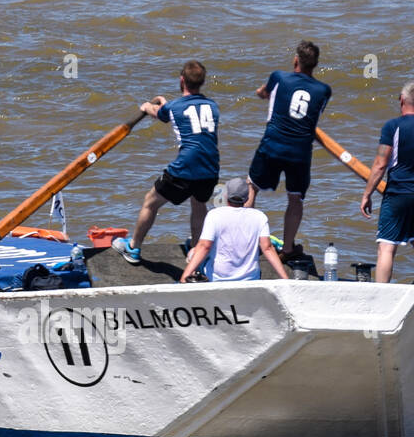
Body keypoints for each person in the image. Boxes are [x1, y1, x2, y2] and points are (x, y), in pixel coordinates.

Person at [113, 60, 219, 264]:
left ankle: (133, 248)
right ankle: (196, 252)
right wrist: (164, 102)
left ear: (182, 80)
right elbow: (185, 112)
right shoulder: (213, 106)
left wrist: (147, 105)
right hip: (211, 166)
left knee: (150, 202)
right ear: (202, 82)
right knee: (199, 205)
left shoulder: (174, 107)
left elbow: (159, 113)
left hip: (185, 167)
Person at [244, 40, 331, 255]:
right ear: (316, 64)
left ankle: (244, 243)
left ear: (295, 60)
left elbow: (263, 93)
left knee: (251, 187)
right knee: (295, 198)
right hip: (300, 151)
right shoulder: (324, 90)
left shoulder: (278, 77)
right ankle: (288, 248)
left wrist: (262, 92)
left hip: (272, 144)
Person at [359, 82, 414, 284]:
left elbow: (380, 165)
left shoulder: (393, 126)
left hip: (397, 195)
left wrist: (367, 194)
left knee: (386, 247)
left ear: (401, 99)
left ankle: (381, 293)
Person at [179, 177, 289, 283]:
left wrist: (184, 277)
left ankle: (194, 275)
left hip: (217, 279)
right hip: (250, 279)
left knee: (194, 251)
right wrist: (285, 279)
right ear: (246, 198)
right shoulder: (260, 216)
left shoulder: (214, 215)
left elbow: (205, 246)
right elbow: (267, 248)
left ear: (226, 196)